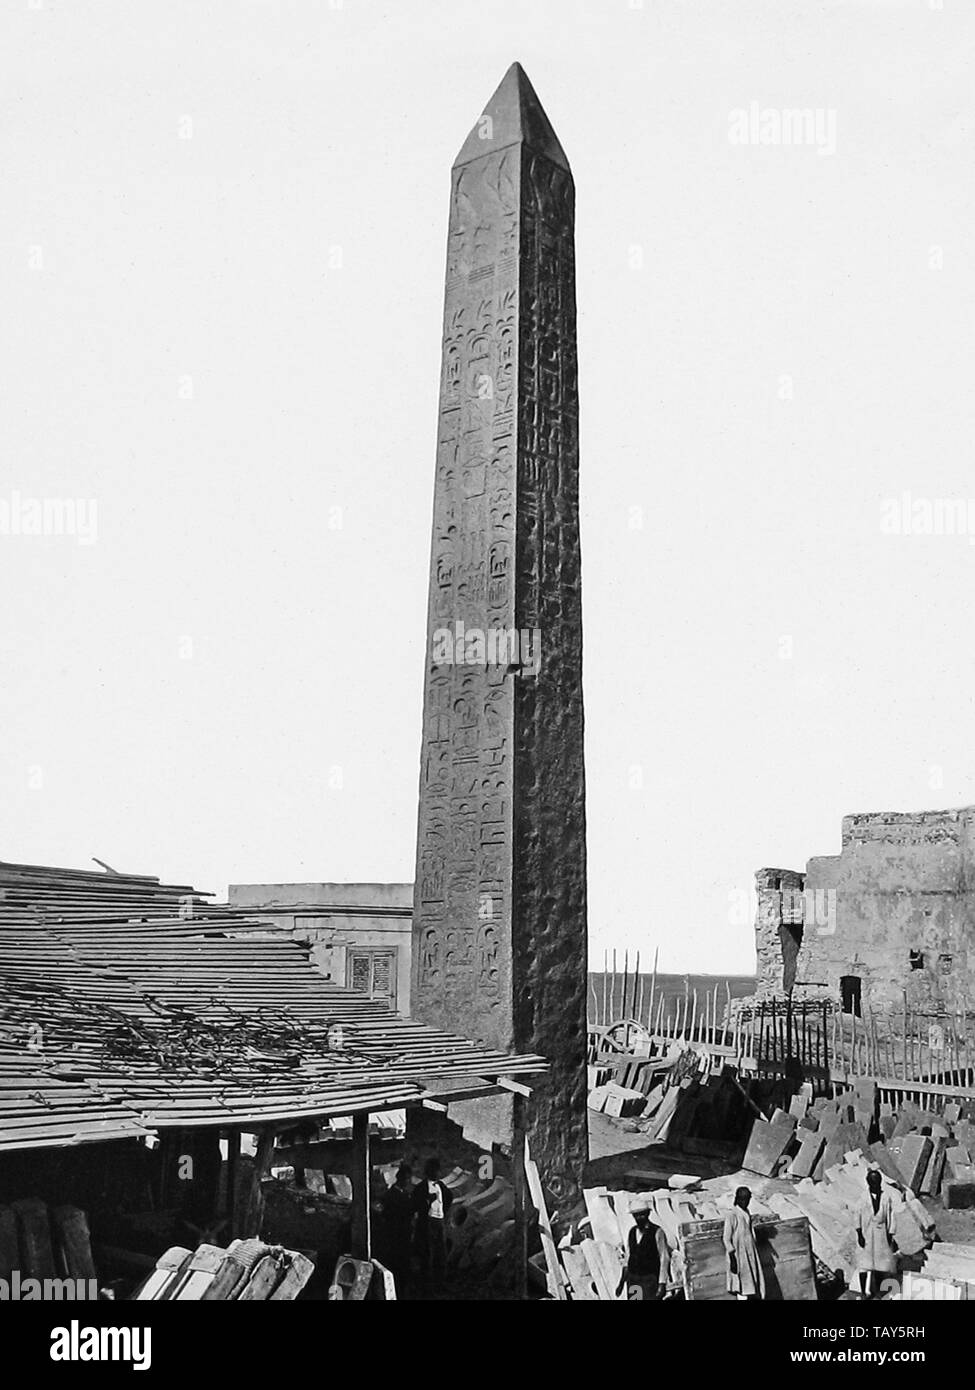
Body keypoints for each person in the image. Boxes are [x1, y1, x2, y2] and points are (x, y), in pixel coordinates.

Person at [413, 1156, 453, 1293]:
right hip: (427, 1222)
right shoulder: (421, 1187)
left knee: (441, 1253)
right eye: (434, 1170)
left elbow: (449, 1197)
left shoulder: (441, 1185)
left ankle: (440, 1282)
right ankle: (427, 1285)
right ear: (428, 1171)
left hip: (439, 1220)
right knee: (428, 1253)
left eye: (437, 1171)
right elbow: (416, 1204)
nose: (437, 1173)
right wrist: (427, 1203)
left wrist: (443, 1212)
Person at [855, 1167, 898, 1299]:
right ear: (869, 1183)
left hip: (881, 1234)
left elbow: (891, 1215)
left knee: (880, 1265)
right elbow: (857, 1215)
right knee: (864, 1265)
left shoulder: (886, 1197)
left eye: (878, 1182)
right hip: (867, 1232)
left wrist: (890, 1233)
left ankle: (878, 1293)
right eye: (873, 1182)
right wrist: (859, 1234)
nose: (876, 1185)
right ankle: (863, 1292)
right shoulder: (863, 1198)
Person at [619, 1207, 671, 1301]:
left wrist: (662, 1283)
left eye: (642, 1214)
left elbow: (664, 1258)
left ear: (648, 1214)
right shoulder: (632, 1232)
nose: (639, 1218)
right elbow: (628, 1257)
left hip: (649, 1279)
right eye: (636, 1216)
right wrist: (621, 1282)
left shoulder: (657, 1231)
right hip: (634, 1279)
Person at [722, 1186, 765, 1300]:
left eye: (747, 1199)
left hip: (749, 1252)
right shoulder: (732, 1215)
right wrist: (732, 1258)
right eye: (742, 1199)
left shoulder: (746, 1212)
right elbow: (726, 1238)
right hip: (738, 1254)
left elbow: (750, 1231)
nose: (745, 1202)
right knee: (741, 1285)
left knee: (751, 1283)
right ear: (737, 1199)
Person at [380, 1163, 415, 1298]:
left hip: (404, 1235)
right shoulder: (391, 1195)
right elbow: (387, 1215)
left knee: (404, 1266)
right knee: (396, 1265)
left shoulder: (404, 1194)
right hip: (395, 1236)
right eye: (406, 1179)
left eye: (409, 1179)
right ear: (400, 1178)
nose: (408, 1182)